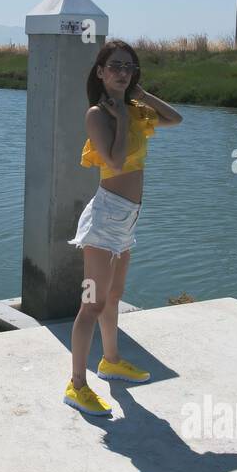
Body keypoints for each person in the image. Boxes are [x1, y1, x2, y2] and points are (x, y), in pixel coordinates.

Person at [64, 39, 183, 416]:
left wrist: (141, 95)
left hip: (128, 217)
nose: (121, 73)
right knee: (91, 304)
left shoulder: (134, 107)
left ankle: (111, 360)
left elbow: (174, 119)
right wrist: (122, 119)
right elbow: (115, 163)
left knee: (113, 296)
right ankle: (77, 384)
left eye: (129, 68)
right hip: (105, 219)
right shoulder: (98, 114)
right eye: (114, 66)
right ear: (100, 72)